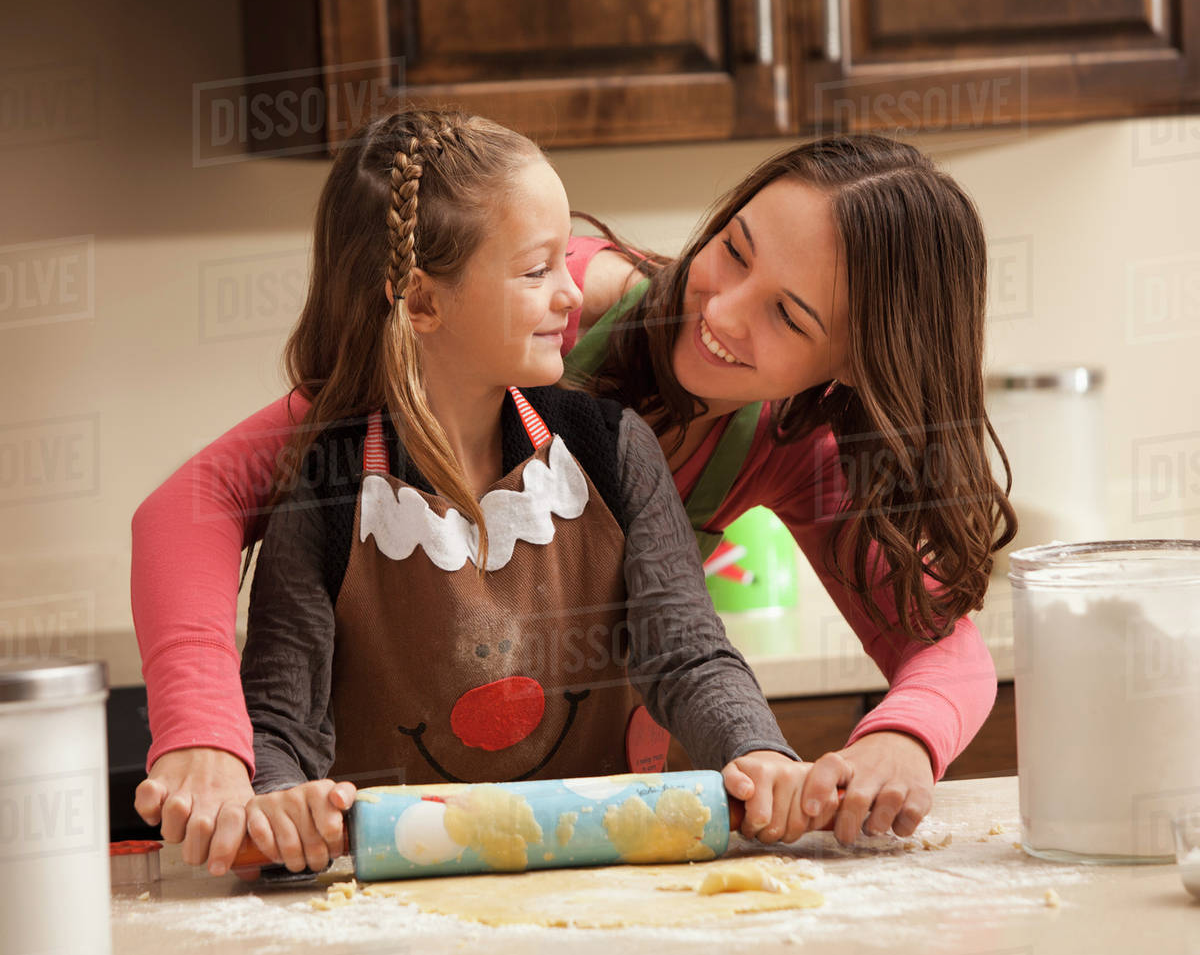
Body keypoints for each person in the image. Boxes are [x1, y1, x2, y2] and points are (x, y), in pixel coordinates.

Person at [131, 126, 1015, 872]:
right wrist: (210, 737)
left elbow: (942, 654)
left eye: (791, 317)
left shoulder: (787, 444)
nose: (724, 310)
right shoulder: (527, 312)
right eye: (734, 247)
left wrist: (895, 742)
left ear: (855, 362)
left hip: (585, 825)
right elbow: (193, 505)